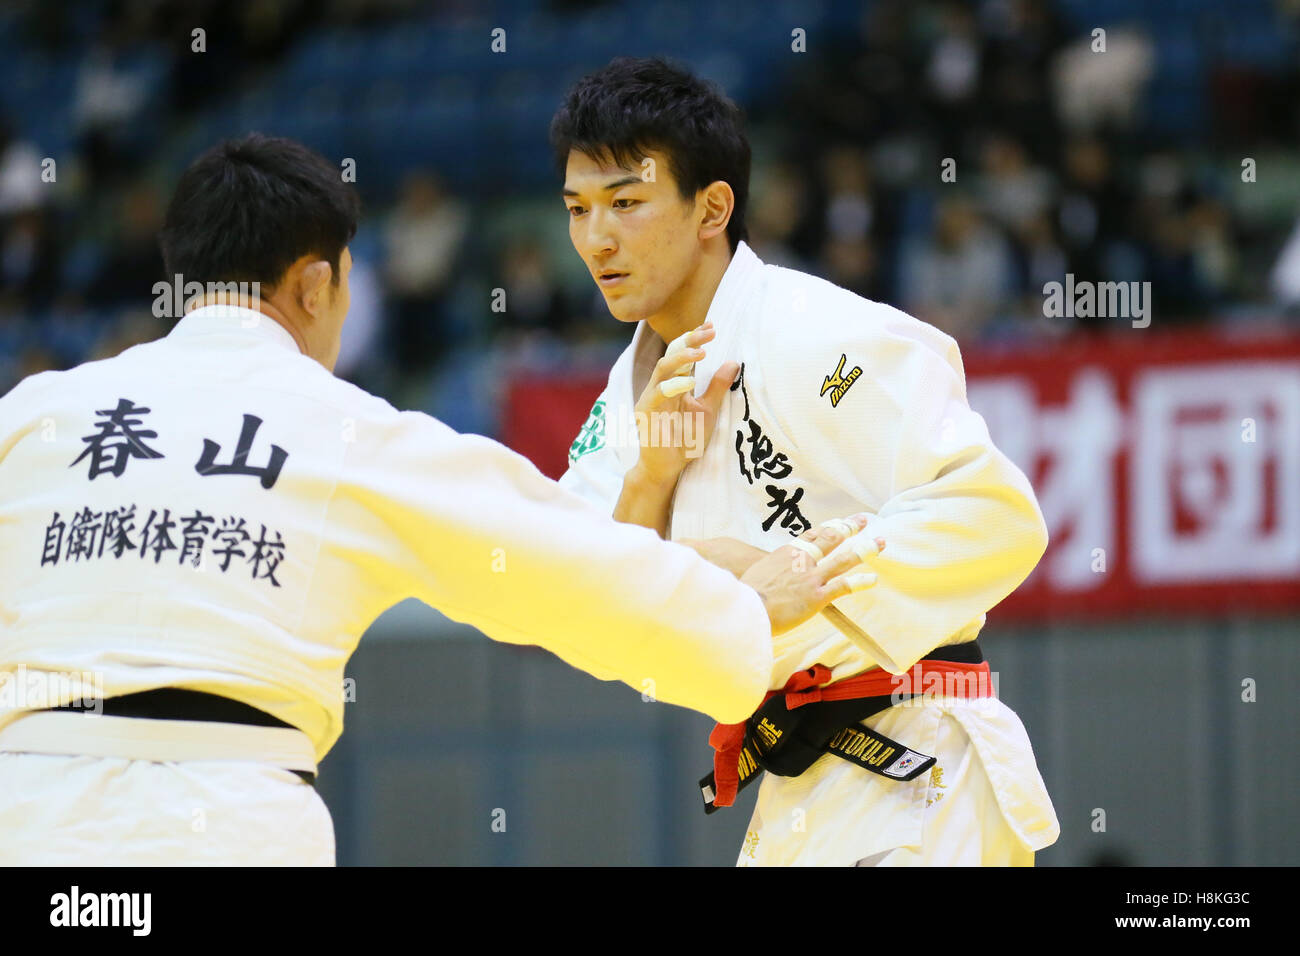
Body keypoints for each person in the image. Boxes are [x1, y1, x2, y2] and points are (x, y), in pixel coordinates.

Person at [0, 134, 881, 866]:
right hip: (225, 822)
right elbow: (567, 569)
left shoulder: (32, 414)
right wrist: (742, 612)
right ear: (317, 286)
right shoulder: (349, 433)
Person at [553, 57, 1060, 866]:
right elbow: (582, 609)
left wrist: (793, 579)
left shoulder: (818, 334)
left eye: (626, 203)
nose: (596, 237)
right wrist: (650, 481)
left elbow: (994, 514)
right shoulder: (624, 409)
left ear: (712, 207)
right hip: (798, 790)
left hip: (919, 761)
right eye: (578, 209)